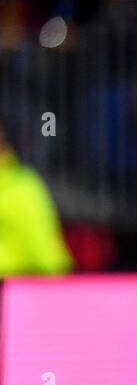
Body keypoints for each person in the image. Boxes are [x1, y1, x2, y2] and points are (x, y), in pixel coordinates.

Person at [0, 118, 73, 278]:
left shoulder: (22, 188)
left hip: (11, 286)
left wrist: (56, 271)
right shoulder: (23, 185)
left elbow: (43, 248)